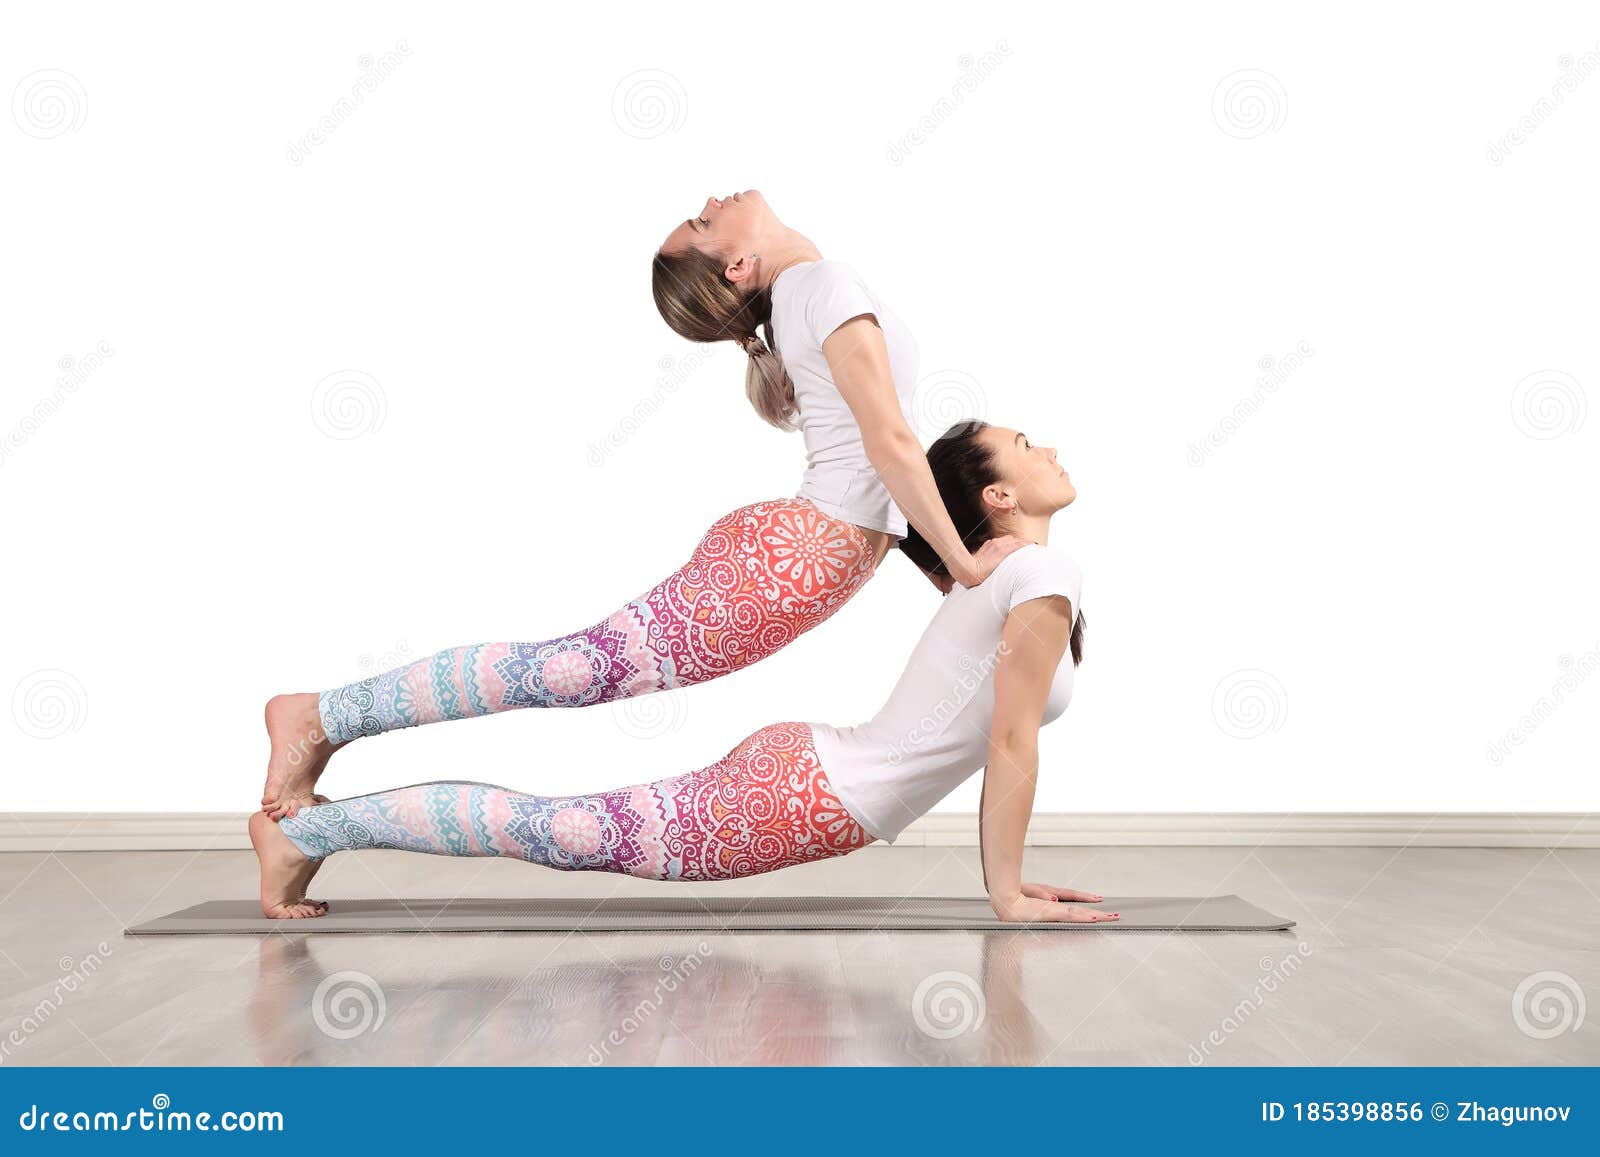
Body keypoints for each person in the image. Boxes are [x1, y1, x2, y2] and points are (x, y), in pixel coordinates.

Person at [257, 190, 1023, 821]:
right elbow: (889, 444)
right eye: (701, 221)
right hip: (781, 564)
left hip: (789, 554)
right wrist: (960, 564)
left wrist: (945, 574)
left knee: (563, 672)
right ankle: (318, 718)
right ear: (739, 263)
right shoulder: (823, 286)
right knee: (561, 672)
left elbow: (886, 457)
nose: (711, 202)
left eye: (696, 214)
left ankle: (321, 740)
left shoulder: (807, 291)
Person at [249, 421, 1113, 926]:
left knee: (567, 818)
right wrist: (1006, 892)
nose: (1048, 450)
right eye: (1026, 446)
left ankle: (317, 786)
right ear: (997, 498)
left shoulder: (1005, 575)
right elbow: (1008, 739)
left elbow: (973, 698)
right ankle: (303, 829)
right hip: (811, 794)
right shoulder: (1042, 575)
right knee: (565, 828)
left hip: (809, 778)